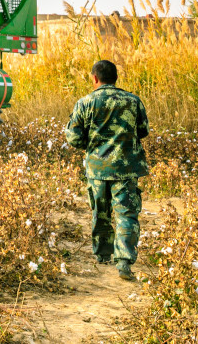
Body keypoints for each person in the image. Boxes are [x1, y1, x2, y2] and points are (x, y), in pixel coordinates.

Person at [65, 60, 149, 281]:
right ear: (116, 78)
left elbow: (73, 137)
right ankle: (123, 261)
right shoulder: (133, 101)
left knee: (100, 212)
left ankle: (103, 255)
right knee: (126, 214)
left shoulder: (85, 102)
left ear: (94, 78)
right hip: (126, 168)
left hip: (97, 169)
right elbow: (143, 130)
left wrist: (93, 147)